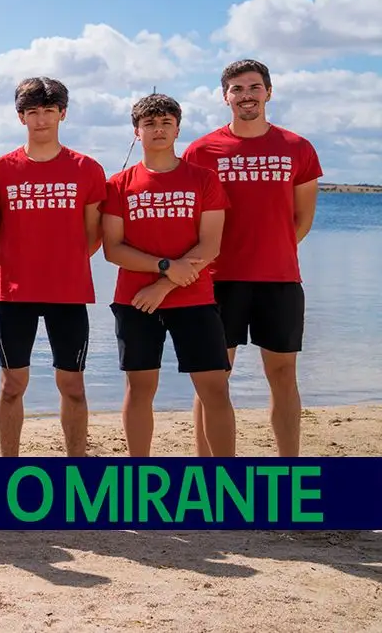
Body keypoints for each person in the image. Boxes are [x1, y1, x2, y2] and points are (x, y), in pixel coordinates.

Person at [183, 59, 321, 458]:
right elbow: (193, 219)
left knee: (282, 375)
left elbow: (302, 219)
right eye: (237, 89)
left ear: (268, 92)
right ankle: (208, 473)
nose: (246, 95)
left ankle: (289, 467)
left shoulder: (297, 148)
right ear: (225, 96)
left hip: (278, 279)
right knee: (212, 379)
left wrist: (270, 251)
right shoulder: (202, 150)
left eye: (254, 87)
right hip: (216, 280)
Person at [101, 93, 234, 457]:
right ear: (136, 131)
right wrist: (164, 266)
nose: (158, 130)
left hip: (194, 298)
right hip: (135, 302)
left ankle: (225, 479)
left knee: (214, 389)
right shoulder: (119, 185)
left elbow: (211, 246)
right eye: (149, 124)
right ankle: (140, 474)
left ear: (177, 129)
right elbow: (113, 249)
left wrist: (164, 284)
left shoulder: (203, 180)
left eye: (165, 124)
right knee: (140, 388)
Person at [0, 77, 106, 458]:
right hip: (15, 292)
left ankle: (77, 465)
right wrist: (18, 266)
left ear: (62, 114)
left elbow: (93, 234)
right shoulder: (0, 170)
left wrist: (61, 263)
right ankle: (9, 467)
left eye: (49, 111)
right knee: (11, 385)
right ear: (21, 117)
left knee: (73, 385)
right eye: (32, 112)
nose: (41, 120)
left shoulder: (86, 169)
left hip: (67, 292)